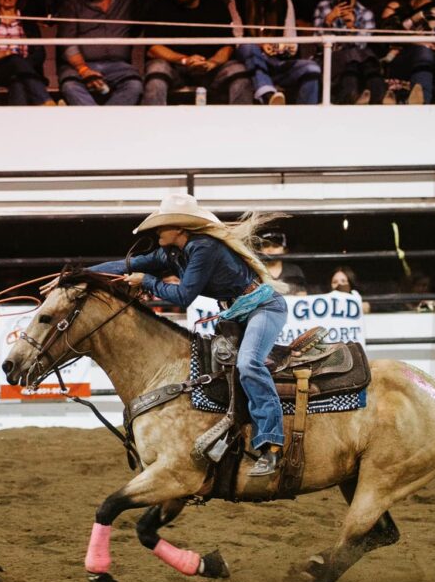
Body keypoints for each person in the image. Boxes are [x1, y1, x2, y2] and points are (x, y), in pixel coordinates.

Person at [89, 195, 290, 477]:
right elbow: (129, 264)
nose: (157, 231)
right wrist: (78, 275)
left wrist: (147, 281)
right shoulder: (174, 253)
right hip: (237, 313)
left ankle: (272, 445)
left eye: (163, 225)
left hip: (263, 308)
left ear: (180, 229)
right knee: (221, 369)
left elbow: (184, 295)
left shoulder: (203, 248)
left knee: (249, 364)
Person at [142, 0, 253, 105]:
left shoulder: (216, 5)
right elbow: (153, 47)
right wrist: (184, 60)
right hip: (174, 68)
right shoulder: (159, 5)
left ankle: (242, 121)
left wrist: (212, 62)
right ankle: (154, 122)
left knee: (238, 70)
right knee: (156, 70)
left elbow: (227, 46)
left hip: (210, 69)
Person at [56, 0, 144, 106]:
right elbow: (67, 42)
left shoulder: (126, 0)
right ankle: (101, 121)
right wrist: (83, 70)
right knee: (70, 86)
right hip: (81, 65)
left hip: (118, 65)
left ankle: (102, 121)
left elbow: (136, 30)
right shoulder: (73, 4)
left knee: (135, 85)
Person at [233, 0, 322, 105]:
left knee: (312, 68)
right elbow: (237, 41)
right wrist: (261, 45)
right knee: (248, 47)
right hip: (249, 66)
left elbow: (292, 44)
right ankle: (267, 94)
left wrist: (277, 47)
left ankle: (305, 118)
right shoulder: (237, 0)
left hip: (277, 63)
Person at [314, 0, 386, 104]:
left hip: (358, 60)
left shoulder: (366, 13)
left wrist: (351, 27)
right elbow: (318, 41)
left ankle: (380, 98)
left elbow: (362, 44)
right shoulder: (324, 7)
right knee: (353, 64)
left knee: (366, 64)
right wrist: (328, 22)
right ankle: (356, 98)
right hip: (332, 57)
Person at [260, 230, 307, 294]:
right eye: (266, 245)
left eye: (275, 246)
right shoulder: (254, 271)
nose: (270, 250)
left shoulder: (294, 270)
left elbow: (301, 296)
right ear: (260, 250)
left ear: (285, 250)